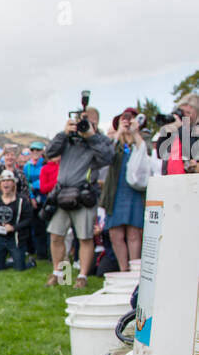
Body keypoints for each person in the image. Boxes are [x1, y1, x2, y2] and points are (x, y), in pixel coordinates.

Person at [43, 106, 114, 289]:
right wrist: (63, 133)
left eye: (87, 120)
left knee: (84, 237)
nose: (83, 123)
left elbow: (107, 158)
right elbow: (50, 152)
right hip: (62, 193)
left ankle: (82, 276)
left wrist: (91, 136)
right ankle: (59, 274)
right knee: (56, 235)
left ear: (95, 122)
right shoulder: (68, 139)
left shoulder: (101, 140)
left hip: (84, 195)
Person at [100, 109, 149, 270]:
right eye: (124, 119)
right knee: (115, 234)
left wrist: (135, 134)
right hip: (116, 191)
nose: (127, 122)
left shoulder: (142, 140)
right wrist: (118, 133)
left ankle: (135, 271)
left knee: (134, 233)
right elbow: (106, 157)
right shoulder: (115, 143)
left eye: (131, 119)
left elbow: (147, 154)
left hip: (135, 192)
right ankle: (123, 270)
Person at [0, 170, 29, 271]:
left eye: (9, 181)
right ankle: (9, 261)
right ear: (0, 184)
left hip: (15, 239)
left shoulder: (22, 200)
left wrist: (13, 227)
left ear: (13, 183)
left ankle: (28, 263)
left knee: (20, 268)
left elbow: (28, 219)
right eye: (3, 181)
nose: (6, 183)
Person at [23, 141, 50, 259]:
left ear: (42, 152)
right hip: (34, 199)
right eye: (32, 150)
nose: (35, 152)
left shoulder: (45, 164)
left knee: (49, 227)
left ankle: (51, 253)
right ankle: (41, 252)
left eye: (37, 150)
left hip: (47, 198)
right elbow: (26, 183)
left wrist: (36, 185)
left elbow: (47, 179)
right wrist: (32, 197)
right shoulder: (27, 166)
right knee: (37, 227)